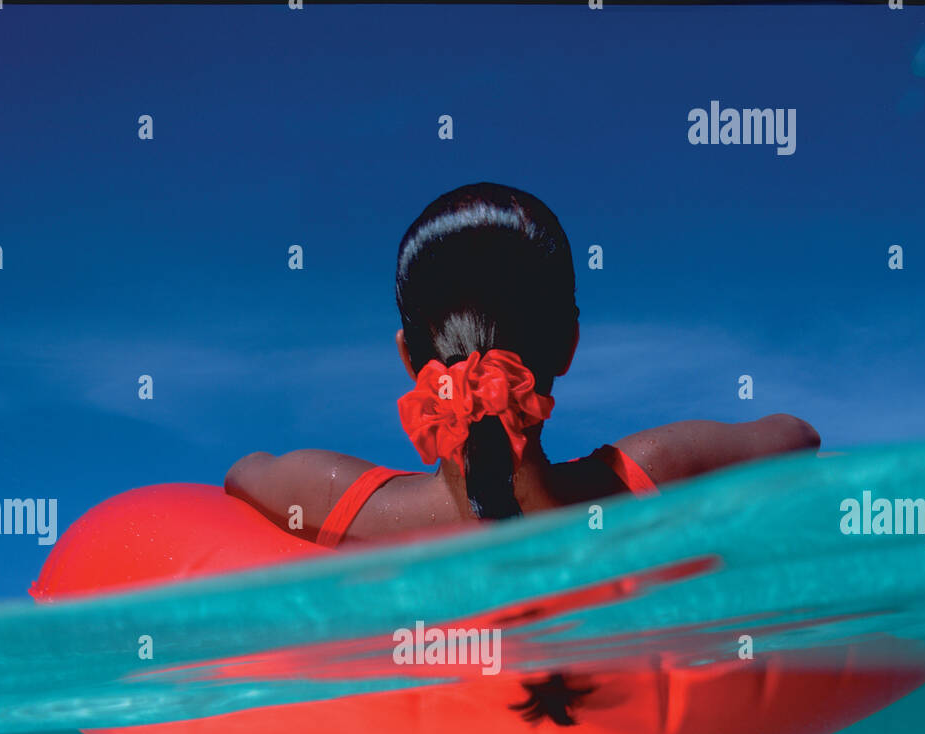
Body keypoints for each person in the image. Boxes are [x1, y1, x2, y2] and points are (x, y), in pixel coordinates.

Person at [225, 182, 819, 546]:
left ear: (410, 358)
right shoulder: (650, 474)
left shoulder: (340, 503)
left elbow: (243, 474)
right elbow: (796, 436)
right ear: (569, 341)